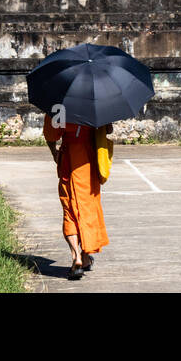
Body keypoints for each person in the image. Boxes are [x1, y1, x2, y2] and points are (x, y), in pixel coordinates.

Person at [42, 117, 111, 280]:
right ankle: (85, 255)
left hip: (68, 160)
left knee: (69, 210)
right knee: (88, 208)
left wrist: (54, 153)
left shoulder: (59, 105)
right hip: (88, 161)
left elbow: (51, 135)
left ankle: (77, 258)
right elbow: (108, 130)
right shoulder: (96, 104)